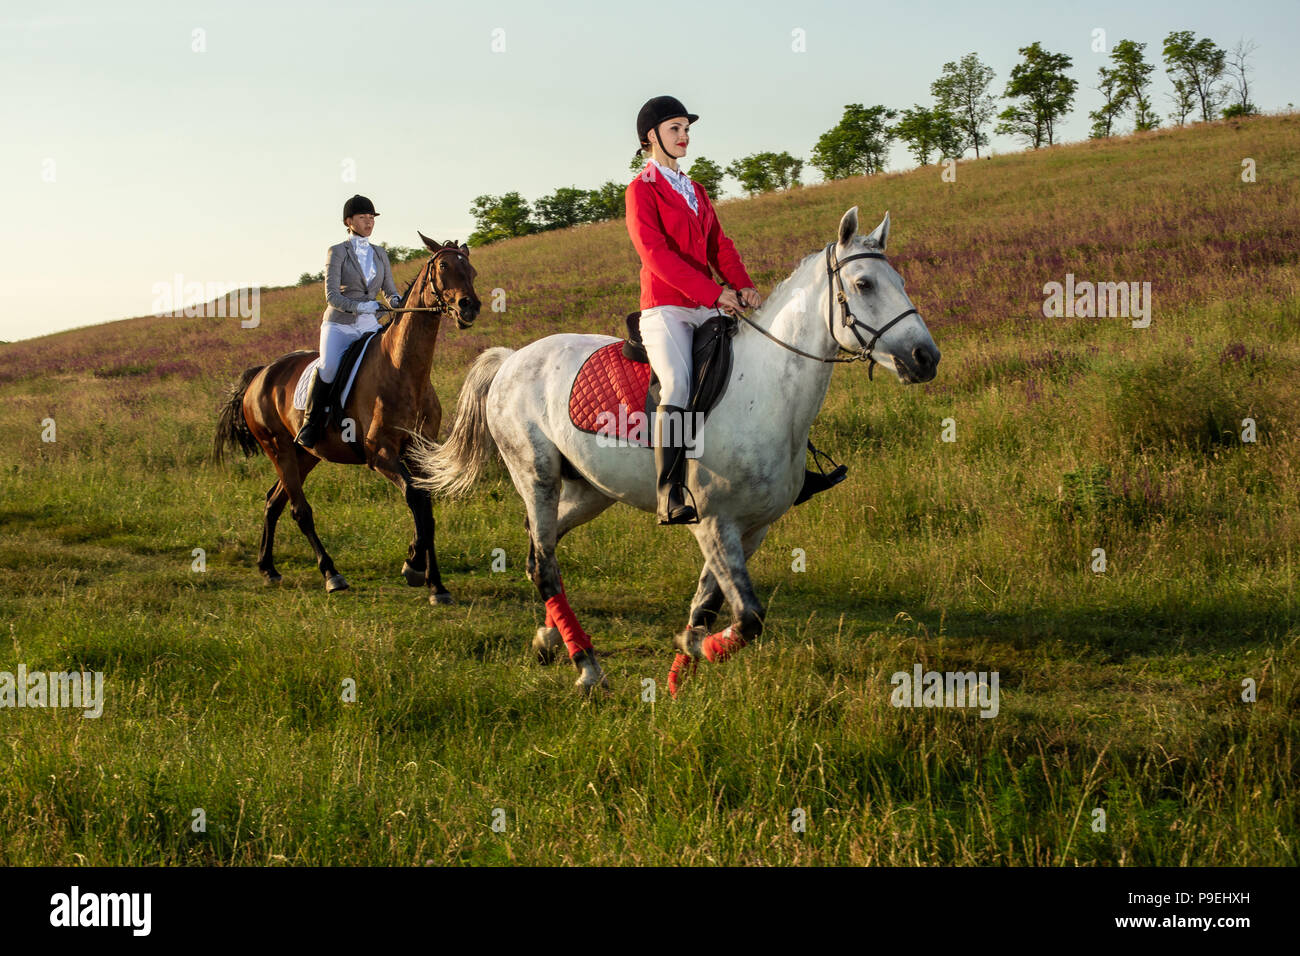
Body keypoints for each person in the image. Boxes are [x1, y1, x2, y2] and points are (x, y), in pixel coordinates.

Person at [625, 96, 762, 524]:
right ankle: (670, 491)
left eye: (687, 129)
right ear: (652, 137)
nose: (685, 136)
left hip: (707, 304)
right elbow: (655, 255)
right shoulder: (640, 190)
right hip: (665, 309)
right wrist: (712, 292)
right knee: (679, 386)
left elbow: (720, 245)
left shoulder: (696, 190)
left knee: (753, 366)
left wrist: (742, 285)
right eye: (675, 129)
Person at [296, 195, 402, 448]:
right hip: (340, 324)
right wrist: (361, 306)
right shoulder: (337, 252)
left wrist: (398, 302)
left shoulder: (380, 254)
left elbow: (389, 291)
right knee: (330, 367)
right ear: (349, 221)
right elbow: (332, 296)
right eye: (363, 218)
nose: (369, 223)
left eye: (371, 218)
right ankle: (310, 424)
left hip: (370, 326)